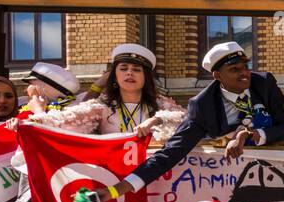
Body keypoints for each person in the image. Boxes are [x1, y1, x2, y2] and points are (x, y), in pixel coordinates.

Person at [91, 40, 284, 202]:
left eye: (246, 67)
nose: (244, 73)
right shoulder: (203, 106)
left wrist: (251, 134)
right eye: (234, 69)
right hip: (232, 187)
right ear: (217, 76)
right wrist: (116, 190)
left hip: (281, 179)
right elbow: (169, 154)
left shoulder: (264, 84)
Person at [13, 45, 184, 141]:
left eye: (136, 70)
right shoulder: (101, 106)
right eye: (123, 69)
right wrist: (34, 118)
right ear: (114, 76)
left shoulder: (160, 103)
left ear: (145, 77)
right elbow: (63, 122)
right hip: (114, 174)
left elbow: (187, 118)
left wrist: (157, 119)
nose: (129, 73)